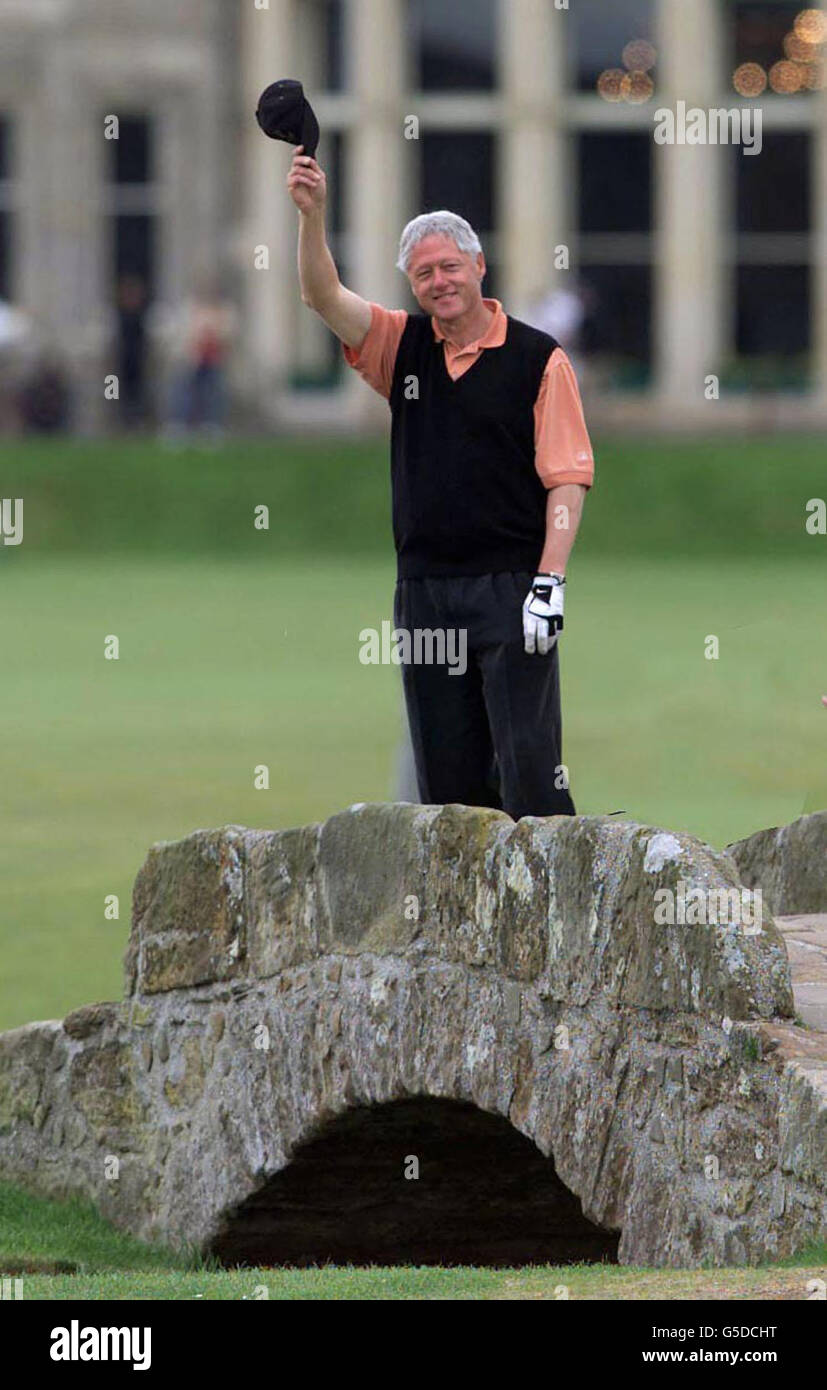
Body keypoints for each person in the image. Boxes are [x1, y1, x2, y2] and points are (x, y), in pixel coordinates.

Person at [287, 147, 595, 821]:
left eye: (449, 266)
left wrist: (550, 583)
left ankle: (555, 918)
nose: (438, 281)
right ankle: (466, 928)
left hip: (513, 588)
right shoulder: (402, 347)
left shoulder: (537, 358)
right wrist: (312, 216)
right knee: (448, 790)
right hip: (425, 591)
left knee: (530, 773)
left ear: (478, 267)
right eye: (423, 273)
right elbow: (321, 296)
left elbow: (567, 477)